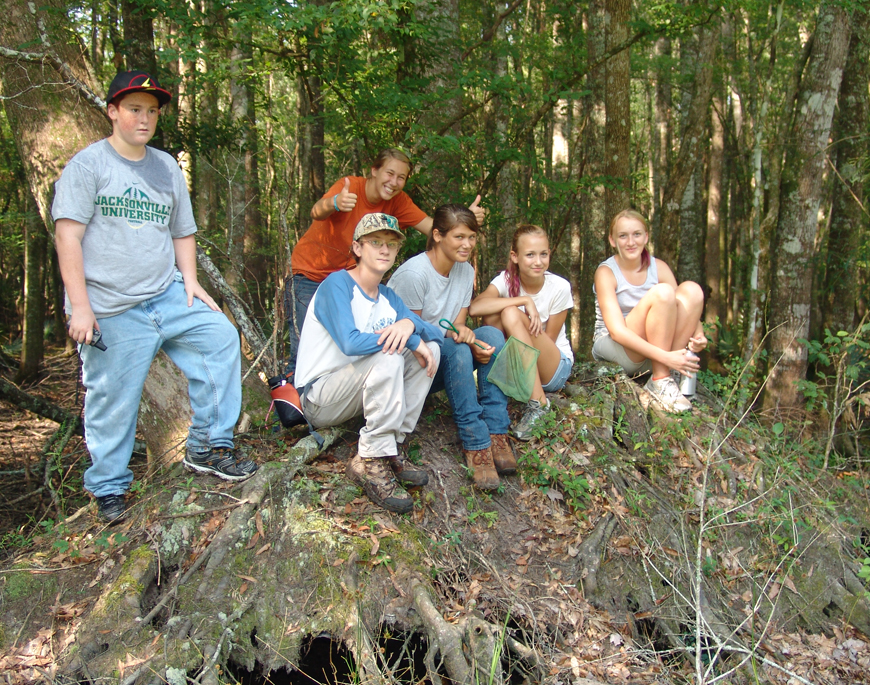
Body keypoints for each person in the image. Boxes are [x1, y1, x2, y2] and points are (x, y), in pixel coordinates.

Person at [52, 70, 257, 523]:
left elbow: (182, 230)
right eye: (134, 109)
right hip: (110, 307)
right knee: (112, 400)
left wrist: (191, 281)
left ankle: (208, 445)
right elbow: (68, 237)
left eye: (152, 111)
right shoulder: (88, 166)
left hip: (165, 293)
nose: (144, 119)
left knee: (220, 337)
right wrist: (81, 307)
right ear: (112, 111)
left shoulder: (165, 166)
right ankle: (108, 487)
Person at [294, 213, 442, 514]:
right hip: (320, 396)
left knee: (434, 350)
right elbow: (350, 342)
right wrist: (409, 337)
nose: (384, 250)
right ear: (358, 248)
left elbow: (434, 332)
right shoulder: (337, 285)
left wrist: (411, 328)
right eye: (375, 242)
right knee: (391, 353)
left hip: (357, 390)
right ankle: (370, 459)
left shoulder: (388, 296)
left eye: (391, 244)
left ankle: (392, 445)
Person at [286, 148, 485, 371]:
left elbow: (434, 229)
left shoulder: (398, 202)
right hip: (311, 273)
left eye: (401, 177)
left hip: (351, 282)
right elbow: (316, 211)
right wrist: (335, 202)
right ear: (374, 170)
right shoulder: (350, 186)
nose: (394, 182)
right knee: (304, 348)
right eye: (389, 173)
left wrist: (460, 223)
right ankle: (290, 401)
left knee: (349, 351)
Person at [388, 205, 513, 491]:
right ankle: (476, 445)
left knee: (492, 335)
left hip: (443, 358)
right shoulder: (414, 275)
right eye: (459, 237)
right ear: (437, 235)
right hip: (413, 368)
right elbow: (411, 335)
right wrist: (460, 339)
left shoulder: (465, 270)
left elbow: (458, 325)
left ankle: (497, 431)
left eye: (471, 237)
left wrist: (473, 341)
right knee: (454, 348)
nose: (467, 244)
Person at [592, 209, 706, 412]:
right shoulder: (606, 272)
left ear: (646, 236)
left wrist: (698, 334)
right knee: (663, 293)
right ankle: (660, 379)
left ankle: (664, 374)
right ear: (612, 240)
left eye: (637, 234)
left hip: (653, 352)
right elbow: (617, 332)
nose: (630, 242)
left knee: (692, 290)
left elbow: (683, 304)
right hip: (618, 347)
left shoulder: (658, 267)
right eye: (623, 236)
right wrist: (665, 357)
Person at [469, 224, 573, 440]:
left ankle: (540, 405)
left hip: (553, 367)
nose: (538, 261)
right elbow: (475, 308)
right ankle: (496, 392)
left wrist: (515, 312)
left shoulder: (559, 287)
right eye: (530, 255)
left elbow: (549, 342)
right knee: (494, 314)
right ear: (515, 256)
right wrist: (524, 300)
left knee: (508, 313)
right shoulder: (505, 280)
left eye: (543, 254)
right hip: (521, 366)